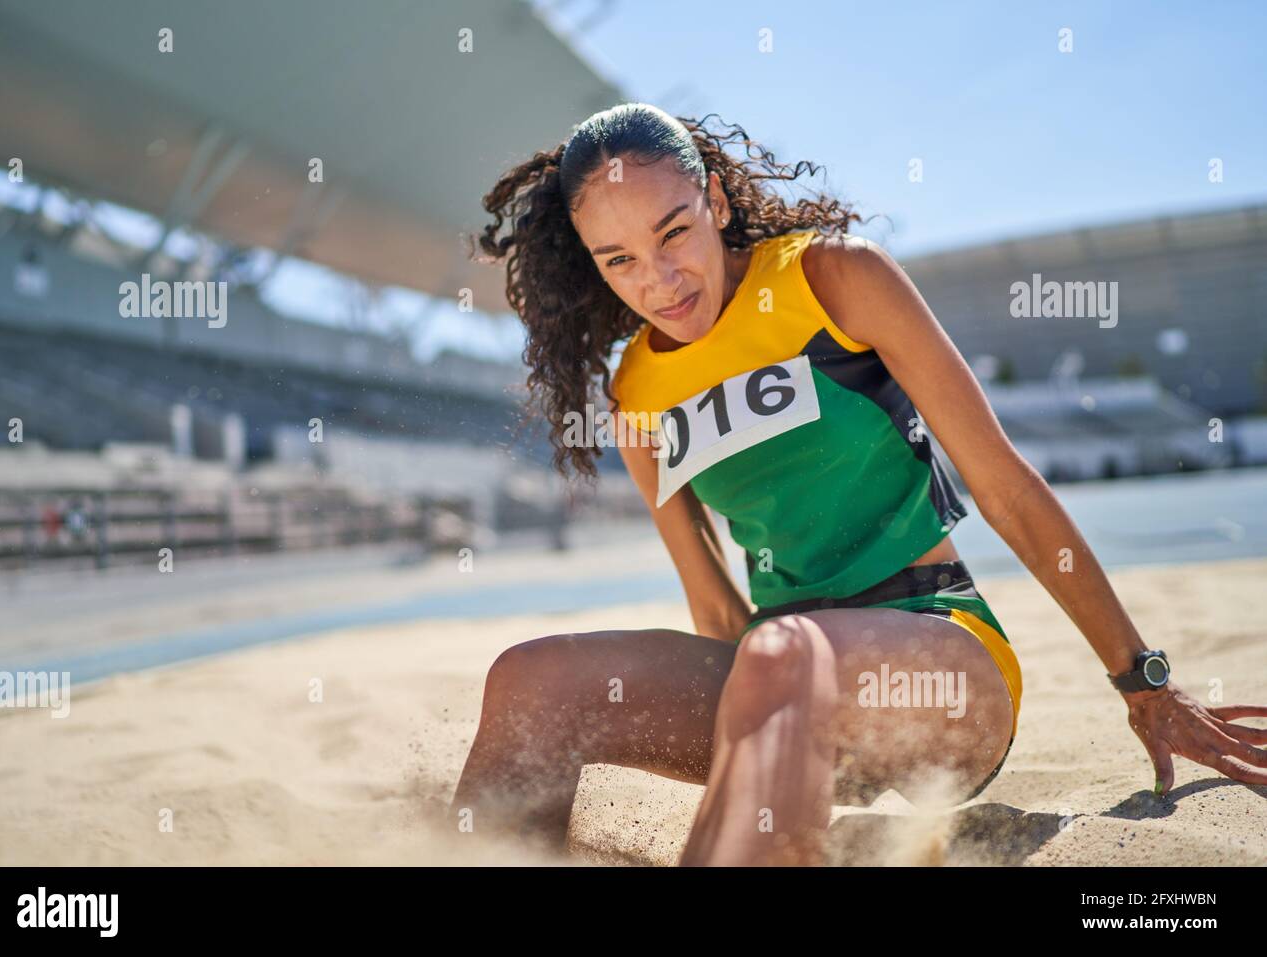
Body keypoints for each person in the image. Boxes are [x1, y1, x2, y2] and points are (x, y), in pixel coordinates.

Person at [450, 102, 1267, 866]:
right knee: (529, 681)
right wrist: (762, 741)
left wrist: (1143, 679)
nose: (658, 279)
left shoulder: (833, 280)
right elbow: (713, 604)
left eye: (674, 232)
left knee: (782, 654)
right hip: (778, 689)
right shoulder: (635, 393)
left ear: (720, 201)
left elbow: (1006, 486)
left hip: (937, 661)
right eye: (619, 260)